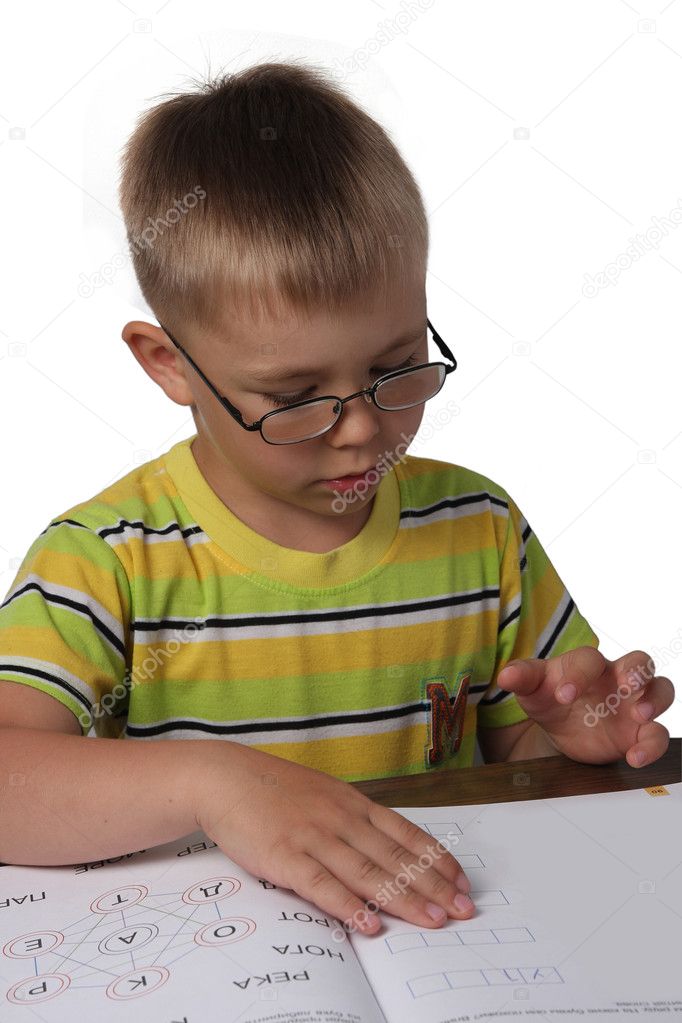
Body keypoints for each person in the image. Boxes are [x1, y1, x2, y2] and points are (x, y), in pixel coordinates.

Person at [0, 61, 674, 938]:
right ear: (170, 364)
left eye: (395, 368)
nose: (360, 429)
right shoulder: (108, 557)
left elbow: (512, 765)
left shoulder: (480, 530)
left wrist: (570, 741)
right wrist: (220, 781)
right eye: (293, 396)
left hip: (450, 949)